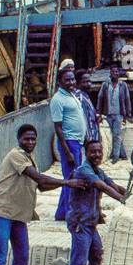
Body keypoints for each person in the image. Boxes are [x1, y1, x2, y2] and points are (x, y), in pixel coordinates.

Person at [0, 125, 80, 265]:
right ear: (19, 139)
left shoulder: (30, 158)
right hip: (3, 212)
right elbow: (40, 179)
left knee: (22, 256)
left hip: (19, 214)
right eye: (26, 139)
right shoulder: (16, 155)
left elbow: (41, 186)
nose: (30, 142)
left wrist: (67, 184)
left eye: (33, 139)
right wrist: (67, 182)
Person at [64, 138, 127, 265]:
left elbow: (113, 185)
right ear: (86, 153)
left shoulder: (98, 171)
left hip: (91, 224)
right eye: (93, 151)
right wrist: (122, 200)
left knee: (97, 257)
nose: (97, 154)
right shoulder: (84, 170)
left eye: (99, 151)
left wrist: (132, 195)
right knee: (79, 263)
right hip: (80, 224)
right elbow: (103, 187)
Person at [50, 66, 87, 221]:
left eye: (72, 79)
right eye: (67, 80)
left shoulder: (72, 95)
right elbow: (58, 128)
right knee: (72, 179)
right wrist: (67, 152)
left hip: (77, 142)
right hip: (70, 143)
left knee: (71, 177)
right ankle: (70, 212)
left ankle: (62, 212)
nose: (71, 82)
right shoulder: (58, 100)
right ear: (60, 82)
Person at [97, 65, 132, 161]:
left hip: (118, 114)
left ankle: (115, 157)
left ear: (119, 73)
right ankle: (123, 155)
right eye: (113, 72)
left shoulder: (123, 85)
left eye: (116, 72)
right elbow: (100, 98)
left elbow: (127, 99)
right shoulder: (105, 85)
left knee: (116, 135)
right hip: (108, 114)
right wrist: (99, 112)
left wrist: (127, 113)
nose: (115, 74)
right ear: (110, 73)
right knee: (114, 134)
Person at [75, 70, 101, 145]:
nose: (89, 84)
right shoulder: (80, 98)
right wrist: (89, 140)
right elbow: (83, 120)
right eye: (85, 82)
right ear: (78, 83)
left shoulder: (85, 95)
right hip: (88, 140)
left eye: (89, 81)